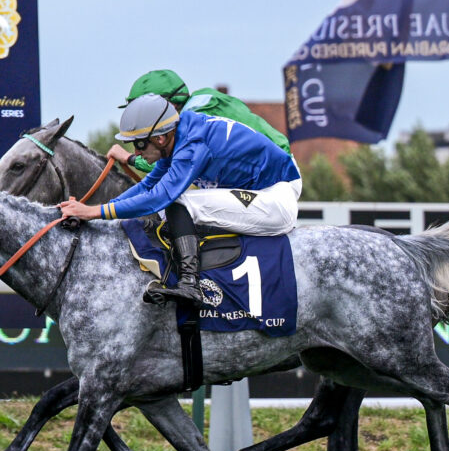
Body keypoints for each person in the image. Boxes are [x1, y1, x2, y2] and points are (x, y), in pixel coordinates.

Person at [59, 93, 303, 307]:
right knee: (173, 208)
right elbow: (147, 185)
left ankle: (189, 284)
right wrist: (94, 212)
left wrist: (93, 212)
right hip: (265, 192)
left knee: (179, 203)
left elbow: (159, 197)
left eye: (139, 144)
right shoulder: (179, 135)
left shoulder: (192, 144)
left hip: (277, 197)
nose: (135, 153)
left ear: (160, 138)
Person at [109, 69, 290, 175]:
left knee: (180, 200)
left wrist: (130, 158)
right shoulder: (202, 100)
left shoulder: (192, 117)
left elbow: (176, 168)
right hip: (271, 166)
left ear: (167, 104)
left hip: (272, 172)